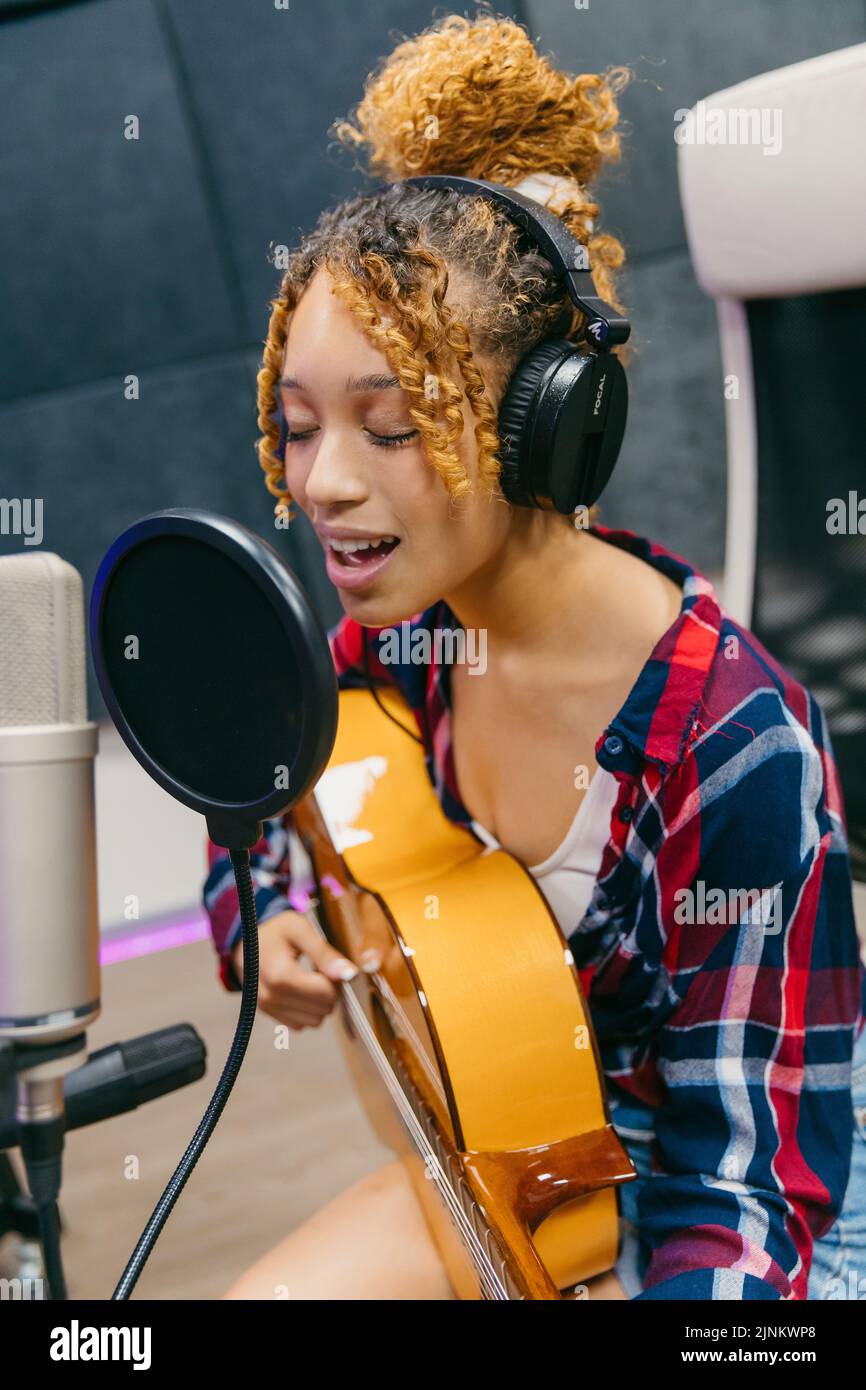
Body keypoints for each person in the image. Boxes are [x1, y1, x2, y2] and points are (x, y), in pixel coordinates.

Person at [202, 11, 866, 1300]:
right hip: (536, 1148)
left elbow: (743, 1190)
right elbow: (270, 795)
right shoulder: (406, 646)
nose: (322, 482)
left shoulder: (735, 747)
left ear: (542, 427)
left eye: (389, 429)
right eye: (296, 426)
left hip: (758, 1210)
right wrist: (264, 914)